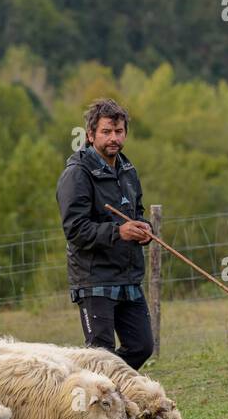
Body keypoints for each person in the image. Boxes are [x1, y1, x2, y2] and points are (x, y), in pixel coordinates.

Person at [55, 98, 156, 369]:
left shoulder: (127, 169)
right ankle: (96, 397)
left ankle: (94, 383)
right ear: (90, 135)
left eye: (119, 131)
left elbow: (137, 212)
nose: (114, 138)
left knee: (142, 346)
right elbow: (75, 230)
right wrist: (118, 232)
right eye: (106, 132)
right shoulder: (77, 174)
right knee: (101, 355)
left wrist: (145, 229)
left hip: (127, 276)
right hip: (93, 278)